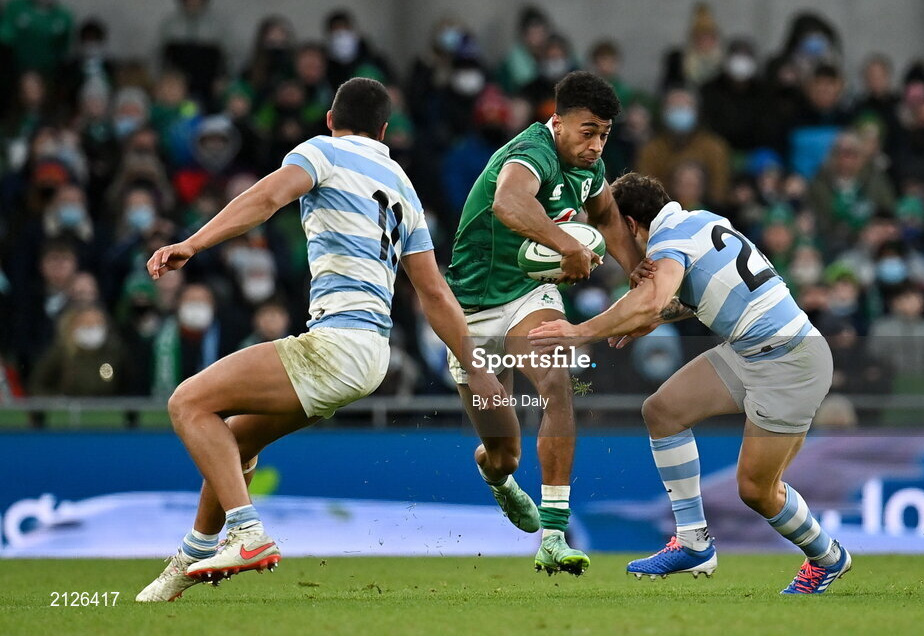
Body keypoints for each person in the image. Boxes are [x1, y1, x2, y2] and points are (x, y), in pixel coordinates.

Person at [136, 78, 505, 602]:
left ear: (330, 120)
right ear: (384, 132)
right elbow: (435, 294)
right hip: (374, 353)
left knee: (188, 403)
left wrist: (192, 243)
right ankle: (193, 553)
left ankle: (246, 532)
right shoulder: (403, 187)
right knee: (236, 440)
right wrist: (476, 363)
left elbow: (266, 198)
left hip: (337, 342)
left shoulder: (322, 151)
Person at [528, 173, 851, 594]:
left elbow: (654, 297)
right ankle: (693, 542)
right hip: (751, 350)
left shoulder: (667, 241)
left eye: (610, 226)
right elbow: (695, 297)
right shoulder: (698, 220)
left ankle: (827, 556)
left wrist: (578, 330)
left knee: (756, 490)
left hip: (789, 362)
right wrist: (651, 318)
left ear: (629, 223)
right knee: (662, 411)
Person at [443, 71, 643, 575]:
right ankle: (497, 476)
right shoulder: (532, 153)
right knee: (504, 452)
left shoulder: (588, 167)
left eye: (604, 135)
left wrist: (637, 271)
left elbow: (607, 217)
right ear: (556, 122)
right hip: (468, 311)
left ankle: (554, 533)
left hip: (529, 295)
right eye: (587, 131)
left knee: (556, 380)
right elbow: (509, 202)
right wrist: (567, 246)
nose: (596, 145)